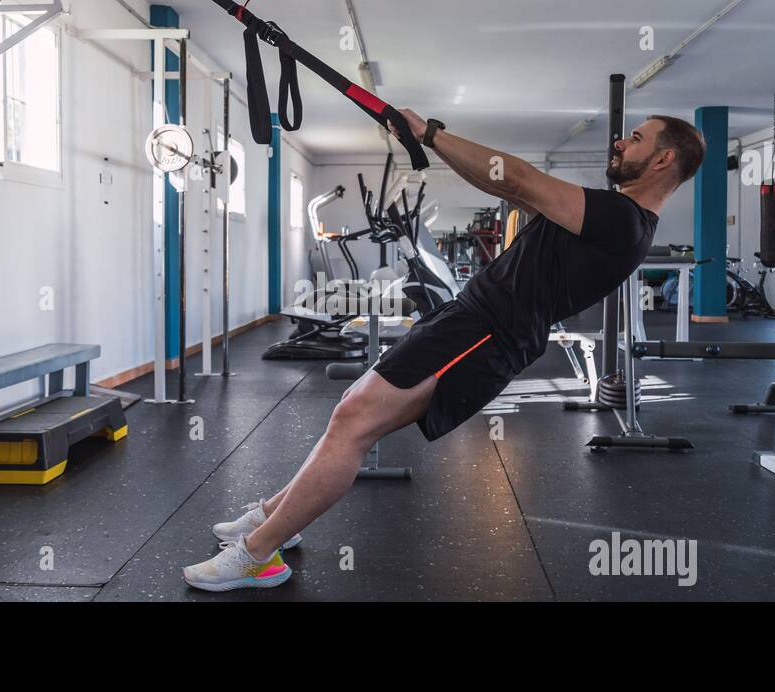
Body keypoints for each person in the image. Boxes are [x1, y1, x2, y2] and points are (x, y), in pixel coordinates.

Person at [182, 108, 706, 591]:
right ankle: (276, 520)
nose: (620, 142)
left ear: (663, 159)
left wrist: (430, 132)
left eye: (635, 138)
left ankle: (258, 554)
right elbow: (513, 190)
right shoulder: (614, 216)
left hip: (485, 332)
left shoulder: (623, 219)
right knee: (351, 418)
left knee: (354, 420)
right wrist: (427, 143)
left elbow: (520, 176)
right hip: (472, 321)